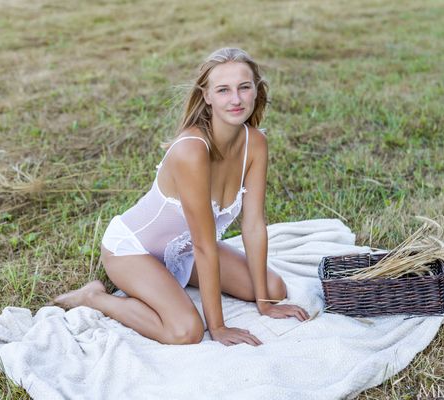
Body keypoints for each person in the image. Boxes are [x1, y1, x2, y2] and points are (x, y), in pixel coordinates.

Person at [53, 47, 310, 346]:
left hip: (183, 251)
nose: (236, 99)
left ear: (257, 90)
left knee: (274, 289)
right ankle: (94, 297)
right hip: (134, 250)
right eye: (223, 90)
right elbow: (204, 245)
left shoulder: (255, 143)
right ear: (207, 96)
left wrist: (265, 304)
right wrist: (218, 327)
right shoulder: (192, 150)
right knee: (186, 331)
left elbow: (253, 225)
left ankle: (177, 282)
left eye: (244, 87)